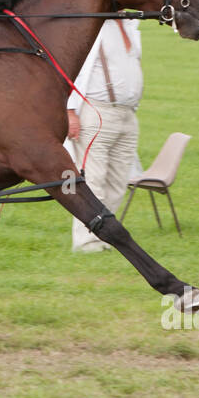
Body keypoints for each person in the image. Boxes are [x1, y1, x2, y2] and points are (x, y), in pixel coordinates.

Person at [65, 18, 143, 253]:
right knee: (93, 181)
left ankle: (104, 235)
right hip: (97, 111)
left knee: (118, 182)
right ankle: (86, 241)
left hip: (127, 114)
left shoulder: (129, 24)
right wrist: (70, 111)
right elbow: (73, 70)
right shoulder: (92, 24)